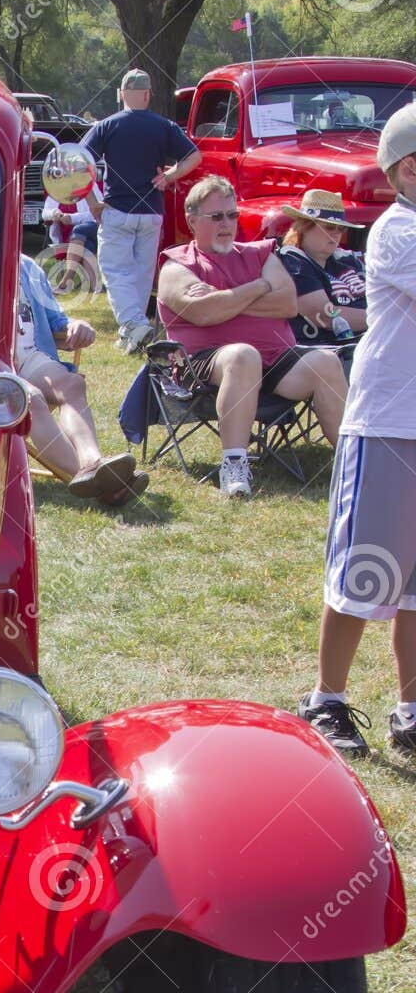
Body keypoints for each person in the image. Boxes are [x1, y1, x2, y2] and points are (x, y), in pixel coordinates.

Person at [298, 105, 416, 758]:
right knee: (365, 574)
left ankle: (412, 708)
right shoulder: (398, 229)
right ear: (409, 167)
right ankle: (327, 700)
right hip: (390, 425)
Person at [156, 175, 347, 498]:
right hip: (205, 362)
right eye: (216, 216)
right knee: (243, 355)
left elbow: (288, 303)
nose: (226, 224)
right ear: (191, 221)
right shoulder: (177, 266)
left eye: (232, 215)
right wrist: (259, 288)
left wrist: (225, 299)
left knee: (325, 362)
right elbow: (203, 313)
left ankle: (353, 464)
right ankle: (234, 465)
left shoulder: (260, 253)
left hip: (276, 358)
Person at [81, 69, 201, 354]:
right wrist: (170, 176)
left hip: (117, 209)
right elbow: (195, 156)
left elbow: (78, 161)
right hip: (152, 212)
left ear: (122, 94)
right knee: (141, 276)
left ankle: (134, 324)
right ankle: (130, 335)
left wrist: (91, 203)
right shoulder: (165, 126)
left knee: (115, 273)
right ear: (147, 95)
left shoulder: (106, 126)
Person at [16, 254, 145, 503]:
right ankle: (97, 483)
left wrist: (77, 324)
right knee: (30, 399)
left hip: (28, 354)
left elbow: (56, 320)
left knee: (72, 384)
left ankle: (92, 461)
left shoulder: (27, 267)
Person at [275, 188, 368, 348]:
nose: (337, 234)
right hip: (326, 350)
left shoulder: (347, 259)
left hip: (367, 343)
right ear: (305, 227)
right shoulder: (292, 260)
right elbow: (325, 316)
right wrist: (386, 319)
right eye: (330, 227)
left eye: (341, 228)